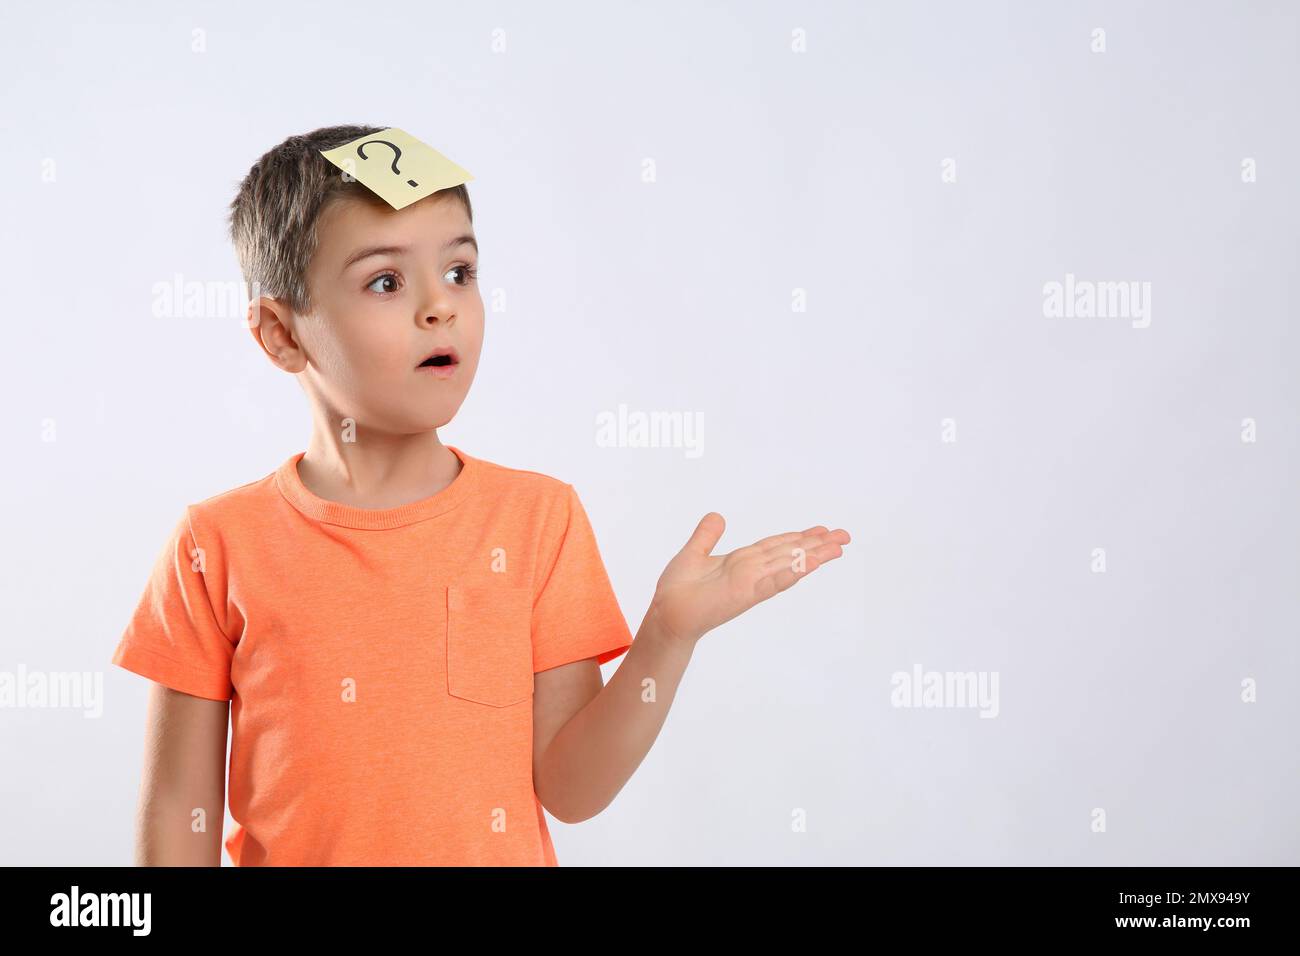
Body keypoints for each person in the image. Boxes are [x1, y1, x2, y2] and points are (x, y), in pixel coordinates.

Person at [112, 123, 851, 866]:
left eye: (460, 271)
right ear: (281, 334)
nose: (441, 306)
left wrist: (667, 635)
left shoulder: (539, 520)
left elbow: (571, 789)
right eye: (386, 281)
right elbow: (180, 811)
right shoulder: (214, 545)